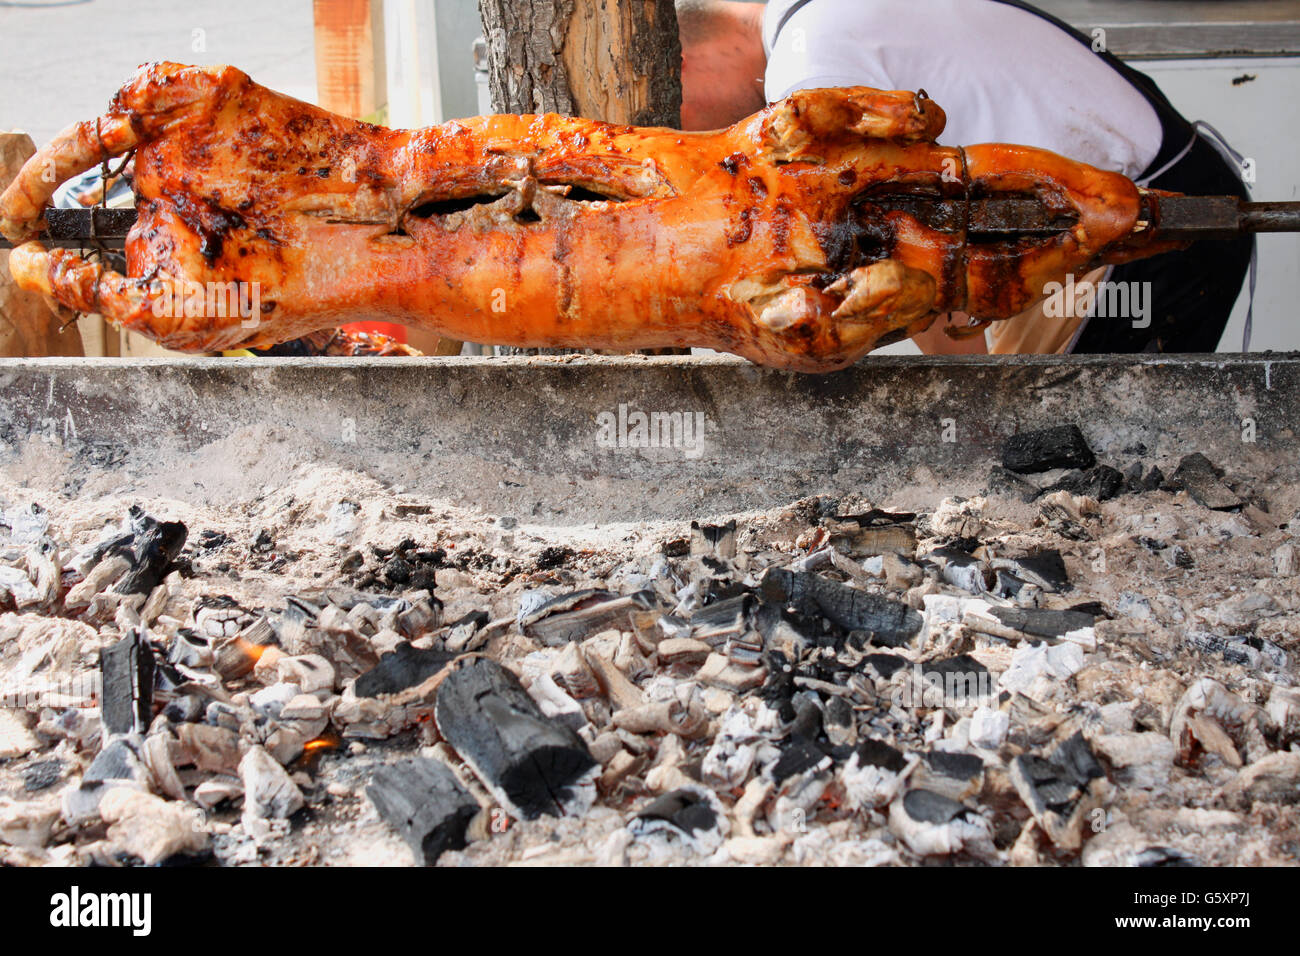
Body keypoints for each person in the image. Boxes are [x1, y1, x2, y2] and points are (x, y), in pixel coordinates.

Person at [676, 0, 1253, 356]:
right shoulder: (821, 19)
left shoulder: (811, 66)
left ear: (686, 62)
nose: (699, 134)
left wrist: (971, 402)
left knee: (1074, 456)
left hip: (1154, 220)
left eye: (677, 117)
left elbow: (895, 238)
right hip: (1110, 208)